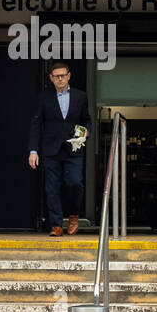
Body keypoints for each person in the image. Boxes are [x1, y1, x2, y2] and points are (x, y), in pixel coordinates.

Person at [28, 61, 91, 236]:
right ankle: (56, 225)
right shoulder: (44, 98)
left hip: (73, 149)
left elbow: (87, 120)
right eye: (57, 76)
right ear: (51, 78)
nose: (60, 79)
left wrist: (87, 131)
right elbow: (36, 124)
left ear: (69, 76)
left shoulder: (80, 96)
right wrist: (33, 150)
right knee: (52, 187)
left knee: (75, 183)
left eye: (63, 75)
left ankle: (73, 215)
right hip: (51, 149)